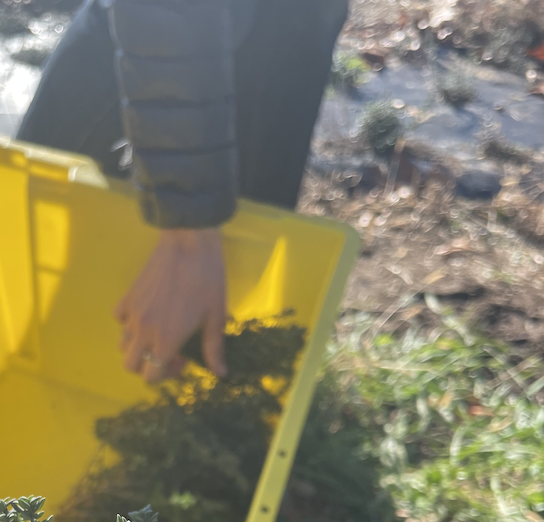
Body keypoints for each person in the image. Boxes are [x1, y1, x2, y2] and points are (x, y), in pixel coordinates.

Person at [17, 0, 349, 382]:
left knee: (228, 289)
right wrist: (189, 232)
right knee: (29, 267)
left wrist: (189, 235)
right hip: (169, 31)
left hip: (279, 33)